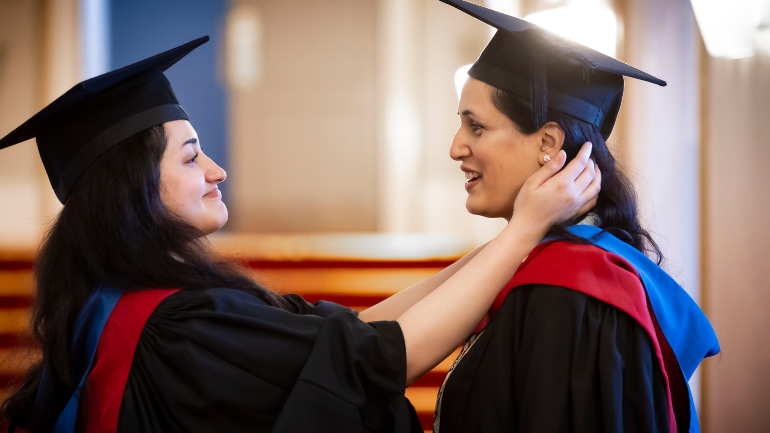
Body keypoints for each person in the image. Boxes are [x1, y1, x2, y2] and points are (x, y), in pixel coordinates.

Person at [0, 36, 600, 432]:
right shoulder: (180, 328)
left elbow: (346, 332)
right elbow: (372, 359)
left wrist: (501, 247)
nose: (216, 170)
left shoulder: (120, 306)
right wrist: (521, 234)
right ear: (132, 191)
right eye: (189, 158)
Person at [432, 1, 720, 433]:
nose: (456, 147)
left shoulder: (571, 294)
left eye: (476, 127)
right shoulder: (540, 265)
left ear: (548, 142)